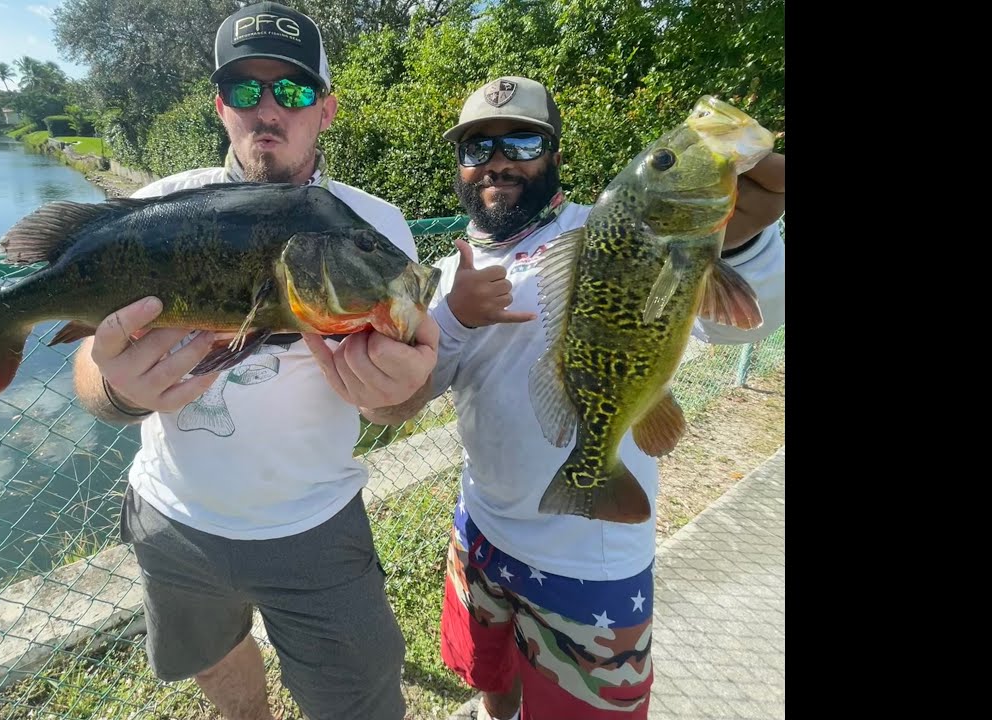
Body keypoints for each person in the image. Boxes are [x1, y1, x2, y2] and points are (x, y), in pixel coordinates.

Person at [70, 4, 439, 719]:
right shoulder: (158, 208)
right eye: (245, 91)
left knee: (361, 701)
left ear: (326, 110)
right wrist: (118, 391)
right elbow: (89, 373)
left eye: (293, 92)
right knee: (216, 670)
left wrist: (400, 394)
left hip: (316, 526)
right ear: (220, 107)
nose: (268, 108)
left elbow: (394, 400)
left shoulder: (376, 229)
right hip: (173, 518)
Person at [426, 77, 786, 720]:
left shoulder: (608, 229)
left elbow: (743, 323)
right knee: (490, 675)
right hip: (478, 533)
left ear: (556, 154)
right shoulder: (452, 270)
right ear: (460, 166)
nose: (498, 161)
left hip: (590, 566)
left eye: (522, 139)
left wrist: (743, 242)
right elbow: (411, 390)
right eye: (477, 148)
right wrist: (452, 317)